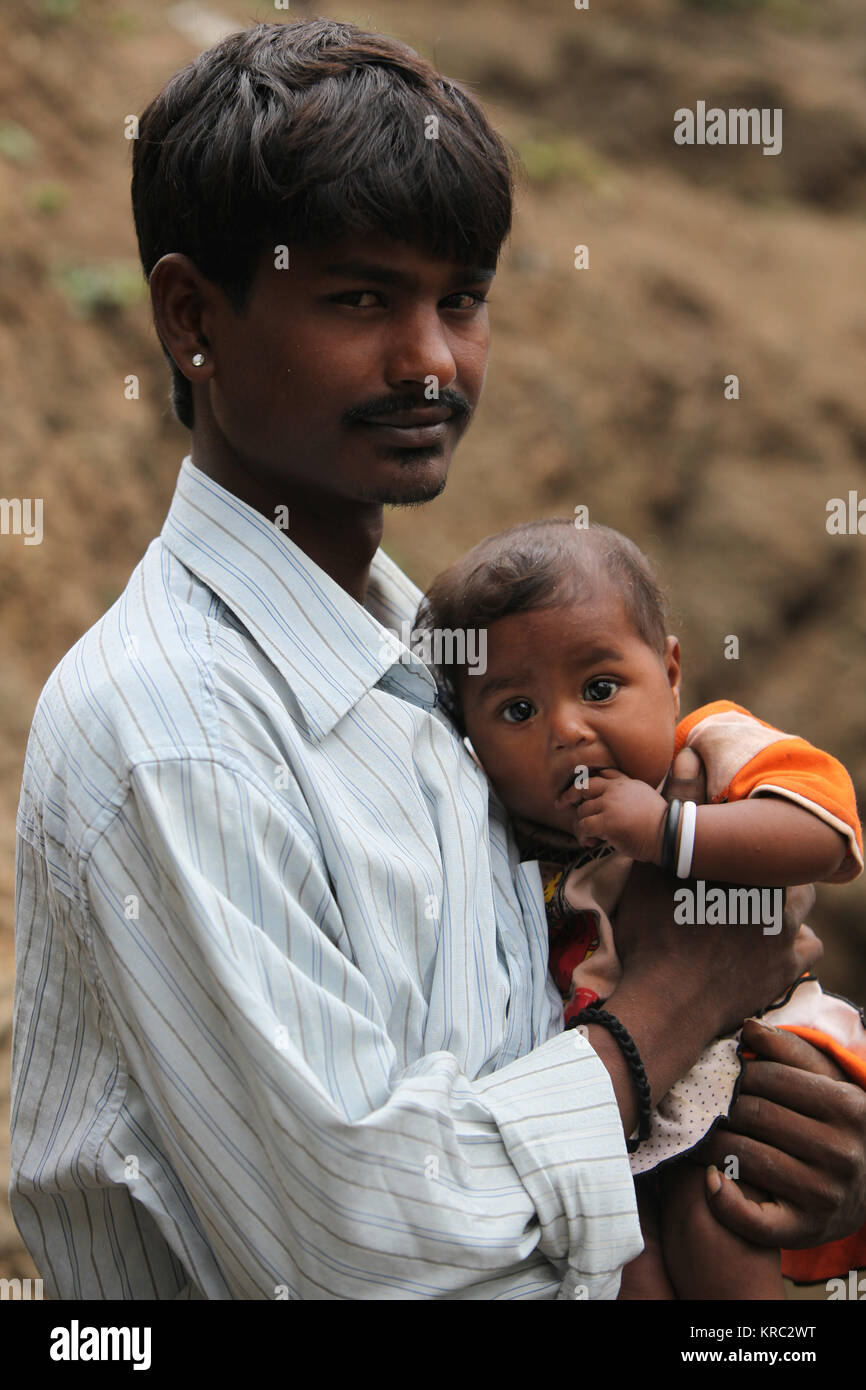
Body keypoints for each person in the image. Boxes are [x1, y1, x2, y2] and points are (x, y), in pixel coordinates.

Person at [10, 19, 866, 1301]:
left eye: (458, 300)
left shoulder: (445, 684)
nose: (428, 362)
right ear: (192, 317)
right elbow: (354, 1252)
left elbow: (530, 1109)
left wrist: (775, 1149)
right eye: (358, 298)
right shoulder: (176, 730)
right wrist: (673, 1010)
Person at [413, 517, 866, 1297]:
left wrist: (669, 832)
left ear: (671, 671)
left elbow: (825, 837)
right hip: (628, 1105)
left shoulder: (712, 749)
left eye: (600, 689)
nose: (568, 730)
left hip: (752, 1061)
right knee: (624, 1268)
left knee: (722, 1227)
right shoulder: (501, 840)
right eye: (516, 712)